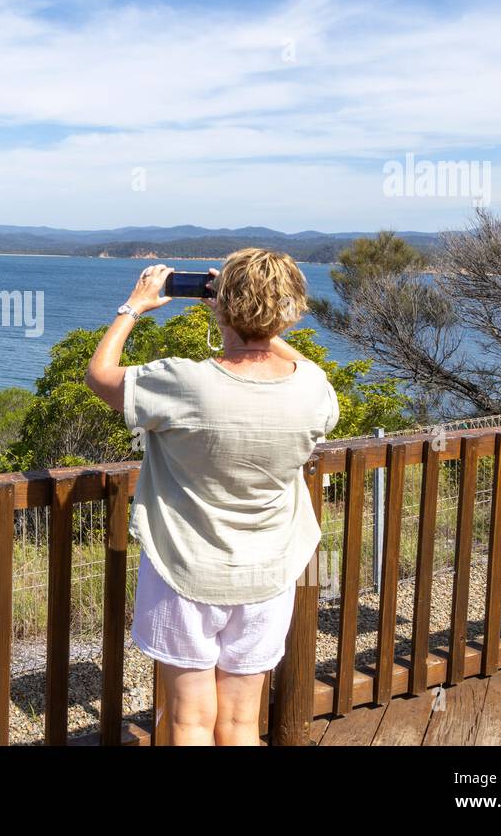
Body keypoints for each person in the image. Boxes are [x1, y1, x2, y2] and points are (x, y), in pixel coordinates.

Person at [84, 248, 339, 745]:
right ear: (290, 309)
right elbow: (302, 368)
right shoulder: (311, 389)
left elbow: (101, 376)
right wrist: (258, 320)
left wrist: (134, 306)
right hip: (268, 573)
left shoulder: (186, 382)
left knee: (189, 722)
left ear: (220, 304)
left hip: (185, 568)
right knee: (242, 723)